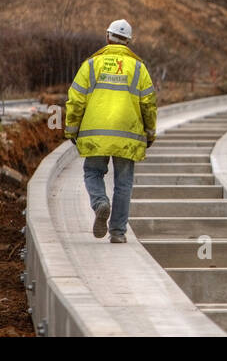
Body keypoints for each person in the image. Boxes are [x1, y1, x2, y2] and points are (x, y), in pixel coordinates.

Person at [64, 19, 157, 243]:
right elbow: (149, 104)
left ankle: (100, 203)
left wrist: (71, 130)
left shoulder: (91, 65)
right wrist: (150, 132)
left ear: (108, 37)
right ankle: (117, 233)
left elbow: (75, 100)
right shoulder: (139, 68)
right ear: (128, 42)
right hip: (128, 135)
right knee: (123, 183)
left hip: (96, 135)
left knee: (93, 172)